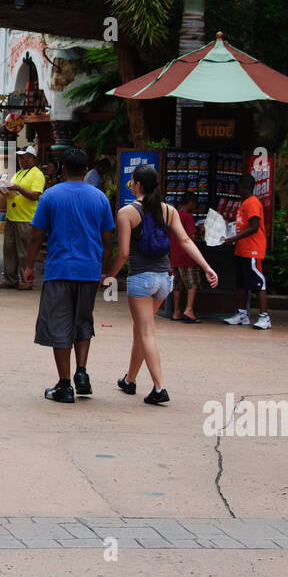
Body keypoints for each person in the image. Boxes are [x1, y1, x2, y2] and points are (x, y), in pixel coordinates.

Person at [103, 167, 216, 404]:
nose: (130, 185)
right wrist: (206, 267)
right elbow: (185, 240)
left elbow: (123, 253)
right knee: (141, 331)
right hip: (165, 280)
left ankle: (159, 388)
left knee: (146, 332)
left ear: (138, 185)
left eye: (132, 182)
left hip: (141, 280)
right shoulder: (169, 211)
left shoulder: (127, 213)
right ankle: (130, 380)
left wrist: (109, 276)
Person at [24, 148, 115, 403]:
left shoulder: (51, 197)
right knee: (83, 321)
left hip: (59, 270)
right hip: (88, 271)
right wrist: (103, 270)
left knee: (58, 325)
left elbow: (36, 235)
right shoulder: (99, 199)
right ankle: (82, 372)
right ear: (86, 170)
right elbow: (108, 239)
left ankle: (65, 385)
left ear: (62, 169)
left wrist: (29, 266)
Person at [223, 174, 271, 329]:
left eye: (239, 186)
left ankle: (264, 317)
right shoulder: (243, 203)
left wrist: (234, 238)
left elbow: (254, 227)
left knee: (259, 283)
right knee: (242, 284)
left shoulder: (252, 203)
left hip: (253, 250)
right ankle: (242, 314)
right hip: (241, 249)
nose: (237, 189)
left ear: (245, 186)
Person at [0, 145, 44, 290]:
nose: (21, 160)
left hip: (26, 218)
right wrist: (3, 188)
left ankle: (27, 280)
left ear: (32, 158)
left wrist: (18, 188)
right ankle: (10, 279)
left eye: (23, 157)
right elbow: (12, 190)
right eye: (19, 157)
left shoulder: (37, 174)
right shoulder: (18, 173)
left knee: (25, 252)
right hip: (12, 217)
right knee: (9, 250)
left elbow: (35, 195)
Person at [168, 191, 205, 322]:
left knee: (176, 285)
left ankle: (176, 311)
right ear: (190, 203)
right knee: (192, 283)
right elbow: (191, 237)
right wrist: (201, 231)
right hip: (187, 256)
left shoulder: (173, 215)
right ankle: (189, 310)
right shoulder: (188, 217)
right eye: (195, 204)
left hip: (174, 255)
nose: (196, 207)